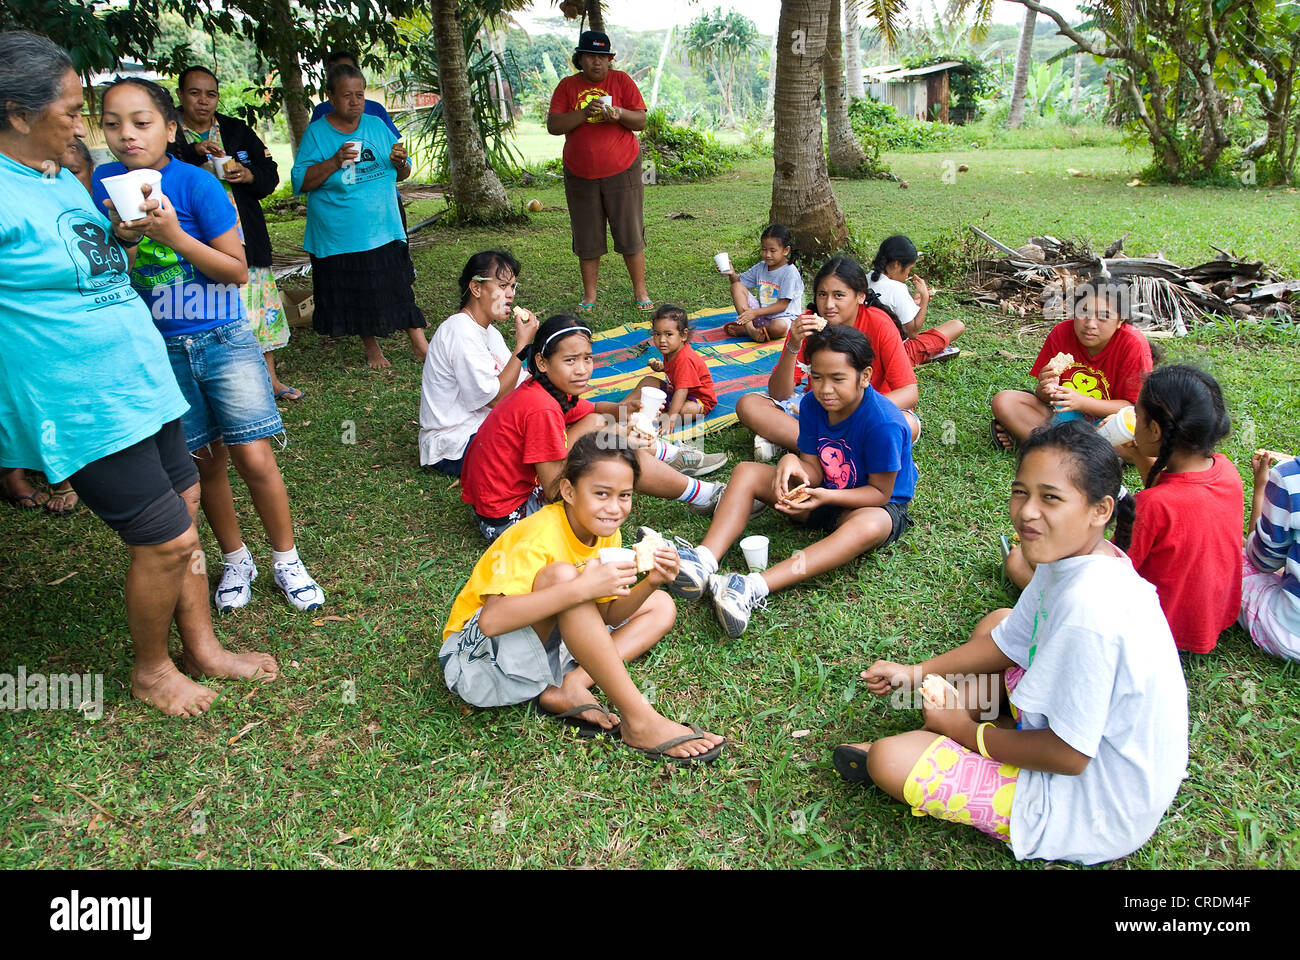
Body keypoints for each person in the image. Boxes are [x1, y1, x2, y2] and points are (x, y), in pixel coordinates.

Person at [0, 30, 277, 716]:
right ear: (14, 113)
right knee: (168, 539)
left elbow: (89, 260)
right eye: (70, 110)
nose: (82, 126)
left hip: (141, 382)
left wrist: (126, 238)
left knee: (183, 509)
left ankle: (204, 648)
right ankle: (152, 670)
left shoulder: (60, 177)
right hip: (79, 399)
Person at [837, 421, 1188, 864]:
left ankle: (951, 735)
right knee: (996, 622)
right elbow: (1008, 643)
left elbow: (1070, 755)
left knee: (889, 758)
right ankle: (966, 726)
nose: (1027, 512)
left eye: (1051, 498)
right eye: (1021, 492)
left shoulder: (1090, 612)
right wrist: (915, 673)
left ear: (1100, 510)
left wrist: (963, 730)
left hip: (1091, 802)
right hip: (1079, 736)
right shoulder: (1081, 556)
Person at [94, 78, 325, 615]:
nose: (127, 135)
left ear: (170, 129)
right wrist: (126, 238)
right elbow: (110, 275)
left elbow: (237, 271)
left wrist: (173, 236)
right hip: (161, 349)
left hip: (223, 339)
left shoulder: (197, 186)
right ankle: (235, 557)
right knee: (204, 461)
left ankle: (286, 558)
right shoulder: (102, 185)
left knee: (253, 454)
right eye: (112, 123)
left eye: (142, 122)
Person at [440, 432, 725, 763]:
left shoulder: (604, 531)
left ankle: (573, 683)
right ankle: (640, 719)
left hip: (541, 642)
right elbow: (491, 621)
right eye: (601, 494)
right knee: (564, 577)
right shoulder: (539, 535)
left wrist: (651, 583)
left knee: (660, 604)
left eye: (625, 495)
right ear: (569, 491)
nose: (614, 508)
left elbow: (609, 615)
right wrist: (579, 589)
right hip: (476, 662)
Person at [671, 326, 915, 637]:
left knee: (869, 525)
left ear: (865, 376)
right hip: (824, 490)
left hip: (871, 506)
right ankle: (703, 560)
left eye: (838, 378)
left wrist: (826, 497)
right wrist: (790, 462)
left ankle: (751, 587)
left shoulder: (884, 423)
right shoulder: (814, 405)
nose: (826, 388)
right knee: (746, 471)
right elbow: (813, 467)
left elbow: (881, 493)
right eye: (817, 377)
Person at [1007, 366, 1242, 654]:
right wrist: (1141, 456)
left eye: (1137, 416)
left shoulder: (1153, 505)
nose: (1131, 420)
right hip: (1214, 616)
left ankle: (1053, 606)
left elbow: (1106, 570)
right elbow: (1173, 498)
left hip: (1159, 630)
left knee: (1018, 561)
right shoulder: (1225, 470)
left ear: (1154, 430)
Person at [459, 315, 728, 541]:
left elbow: (593, 410)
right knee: (612, 453)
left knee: (603, 429)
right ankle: (705, 494)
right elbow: (554, 489)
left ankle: (678, 466)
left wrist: (625, 410)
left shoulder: (543, 389)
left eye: (587, 358)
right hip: (510, 521)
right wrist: (613, 437)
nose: (581, 369)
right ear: (542, 362)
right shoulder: (540, 407)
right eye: (570, 360)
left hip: (499, 505)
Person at [173, 65, 301, 402]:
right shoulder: (170, 134)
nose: (203, 101)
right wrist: (191, 157)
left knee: (260, 308)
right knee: (212, 311)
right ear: (180, 96)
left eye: (210, 94)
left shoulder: (236, 130)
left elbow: (269, 175)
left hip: (246, 237)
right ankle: (223, 387)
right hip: (197, 242)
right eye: (194, 93)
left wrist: (246, 175)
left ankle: (270, 380)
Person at [291, 62, 427, 369]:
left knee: (398, 284)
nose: (355, 101)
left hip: (383, 225)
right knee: (357, 290)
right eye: (347, 95)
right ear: (330, 97)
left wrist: (402, 162)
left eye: (360, 95)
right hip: (341, 231)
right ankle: (372, 348)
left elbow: (401, 174)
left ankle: (420, 344)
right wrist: (335, 160)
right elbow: (302, 181)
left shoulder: (376, 126)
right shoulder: (317, 133)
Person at [736, 255, 919, 463]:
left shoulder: (879, 323)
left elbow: (909, 392)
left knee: (906, 425)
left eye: (839, 295)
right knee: (748, 404)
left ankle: (805, 443)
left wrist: (857, 411)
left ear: (859, 296)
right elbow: (779, 393)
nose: (828, 304)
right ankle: (835, 448)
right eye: (822, 294)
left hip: (871, 410)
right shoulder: (808, 323)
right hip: (822, 407)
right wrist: (793, 345)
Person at [2, 135, 95, 515]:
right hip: (30, 327)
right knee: (35, 395)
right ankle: (41, 477)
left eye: (75, 171)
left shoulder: (87, 197)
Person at [546, 30, 652, 312]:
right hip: (580, 173)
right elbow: (554, 126)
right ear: (580, 59)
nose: (596, 62)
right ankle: (589, 296)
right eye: (591, 56)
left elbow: (640, 120)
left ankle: (640, 292)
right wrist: (583, 113)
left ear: (610, 59)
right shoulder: (567, 87)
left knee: (629, 232)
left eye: (602, 57)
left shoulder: (622, 81)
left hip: (623, 168)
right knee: (587, 236)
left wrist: (619, 113)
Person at [990, 281, 1153, 452]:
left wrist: (1083, 402)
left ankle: (1044, 445)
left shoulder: (1132, 344)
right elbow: (1044, 398)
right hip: (1063, 419)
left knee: (1135, 437)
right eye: (1083, 312)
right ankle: (1084, 453)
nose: (1090, 324)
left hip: (1108, 425)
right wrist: (1045, 388)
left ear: (1120, 320)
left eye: (1103, 316)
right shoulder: (1061, 333)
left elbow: (1133, 409)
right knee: (1005, 401)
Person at [419, 250, 538, 476]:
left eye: (513, 286)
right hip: (454, 444)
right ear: (476, 288)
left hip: (484, 430)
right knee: (539, 451)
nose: (510, 295)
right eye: (502, 286)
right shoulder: (459, 331)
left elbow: (521, 382)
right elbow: (496, 398)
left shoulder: (489, 332)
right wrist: (522, 347)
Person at [866, 234, 963, 365]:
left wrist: (913, 301)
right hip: (892, 354)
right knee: (957, 326)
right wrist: (924, 298)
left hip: (863, 347)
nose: (908, 275)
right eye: (909, 269)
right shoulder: (897, 289)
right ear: (896, 265)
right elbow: (912, 333)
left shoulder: (866, 278)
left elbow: (888, 308)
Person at [1242, 450, 1300, 661]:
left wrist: (1261, 490)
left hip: (1290, 633)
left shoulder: (1290, 477)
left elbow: (1262, 562)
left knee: (1230, 556)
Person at [626, 304, 717, 431]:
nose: (661, 340)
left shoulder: (685, 358)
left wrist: (671, 417)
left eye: (668, 334)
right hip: (674, 391)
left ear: (683, 335)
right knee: (648, 381)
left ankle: (661, 416)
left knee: (686, 410)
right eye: (657, 334)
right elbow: (675, 370)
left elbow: (682, 390)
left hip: (696, 400)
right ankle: (621, 407)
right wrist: (662, 367)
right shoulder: (671, 350)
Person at [721, 224, 803, 343]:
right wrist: (732, 273)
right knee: (736, 287)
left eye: (772, 250)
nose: (767, 254)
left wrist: (754, 313)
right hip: (761, 316)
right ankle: (750, 329)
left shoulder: (790, 272)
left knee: (779, 327)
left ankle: (746, 330)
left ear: (786, 250)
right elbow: (739, 283)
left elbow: (783, 305)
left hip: (783, 318)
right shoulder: (761, 267)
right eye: (764, 249)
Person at [309, 50, 402, 137]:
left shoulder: (376, 112)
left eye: (349, 70)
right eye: (338, 72)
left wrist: (398, 153)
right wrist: (335, 155)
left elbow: (392, 145)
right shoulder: (320, 114)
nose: (354, 102)